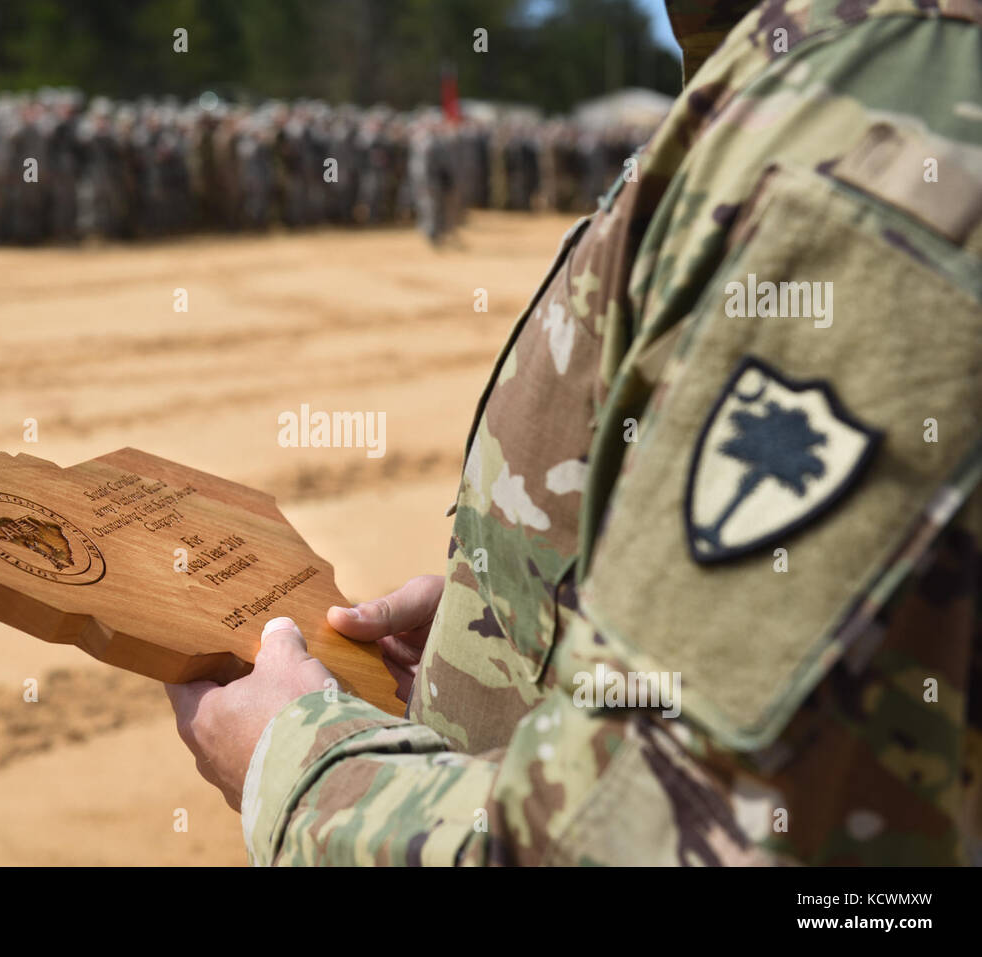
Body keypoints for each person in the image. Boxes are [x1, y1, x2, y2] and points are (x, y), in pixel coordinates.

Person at [167, 0, 982, 866]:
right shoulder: (795, 73)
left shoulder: (875, 126)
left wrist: (300, 772)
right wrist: (523, 621)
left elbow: (679, 831)